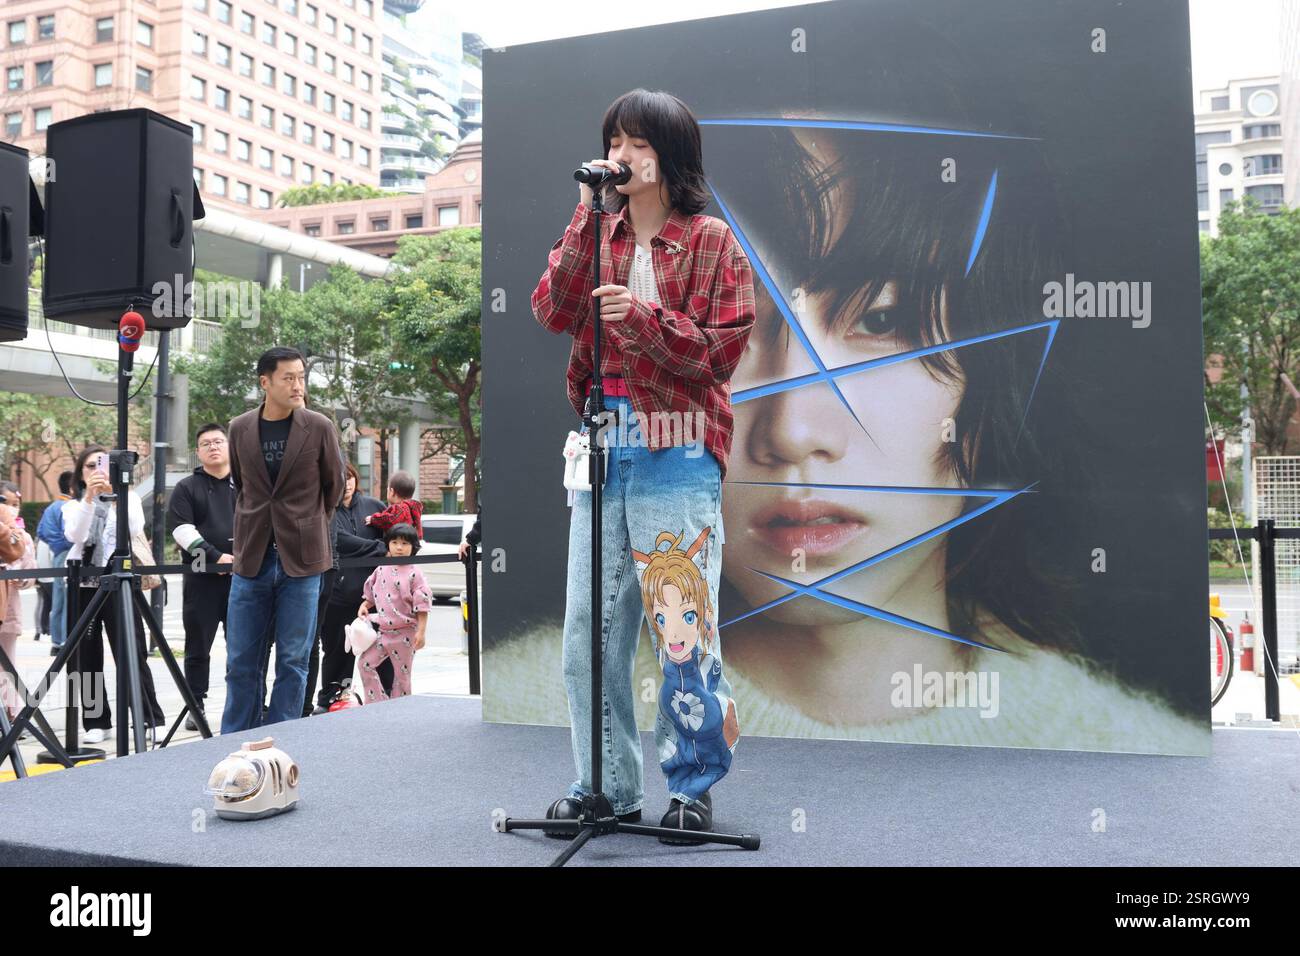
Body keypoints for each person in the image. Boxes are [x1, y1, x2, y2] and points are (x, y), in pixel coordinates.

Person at [529, 88, 756, 841]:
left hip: (678, 440)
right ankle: (604, 786)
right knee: (588, 629)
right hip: (601, 440)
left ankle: (692, 788)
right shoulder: (601, 227)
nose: (619, 156)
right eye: (612, 141)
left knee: (678, 622)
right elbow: (552, 310)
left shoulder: (711, 240)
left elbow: (721, 353)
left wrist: (646, 318)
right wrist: (585, 219)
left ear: (669, 154)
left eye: (634, 143)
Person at [223, 346, 344, 733]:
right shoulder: (239, 427)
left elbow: (334, 485)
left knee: (293, 659)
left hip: (303, 561)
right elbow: (242, 483)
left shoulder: (319, 426)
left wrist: (306, 524)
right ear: (265, 382)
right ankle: (234, 743)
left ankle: (282, 740)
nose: (298, 386)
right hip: (252, 556)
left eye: (301, 377)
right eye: (288, 378)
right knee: (241, 659)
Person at [62, 445, 166, 743]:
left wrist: (114, 497)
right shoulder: (74, 505)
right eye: (90, 466)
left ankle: (147, 717)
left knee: (131, 650)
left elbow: (133, 528)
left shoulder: (129, 498)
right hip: (84, 584)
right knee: (86, 656)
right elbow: (75, 536)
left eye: (102, 464)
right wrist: (90, 499)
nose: (97, 471)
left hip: (120, 581)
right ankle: (96, 722)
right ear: (81, 474)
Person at [168, 423, 236, 731]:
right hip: (201, 580)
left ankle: (248, 700)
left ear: (228, 445)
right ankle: (195, 706)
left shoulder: (247, 484)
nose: (213, 447)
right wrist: (216, 556)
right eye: (206, 443)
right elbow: (182, 531)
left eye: (218, 441)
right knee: (198, 647)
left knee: (245, 645)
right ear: (198, 452)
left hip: (243, 578)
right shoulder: (186, 488)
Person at [307, 460, 385, 713]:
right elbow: (339, 540)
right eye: (341, 479)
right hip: (338, 593)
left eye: (349, 478)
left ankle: (383, 696)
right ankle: (330, 697)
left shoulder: (374, 507)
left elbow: (393, 536)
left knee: (380, 647)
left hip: (374, 596)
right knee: (337, 648)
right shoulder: (326, 510)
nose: (346, 484)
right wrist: (375, 548)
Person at [355, 523, 430, 703]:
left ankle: (400, 712)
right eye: (395, 542)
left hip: (406, 633)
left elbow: (422, 604)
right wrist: (365, 604)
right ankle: (377, 704)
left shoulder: (415, 573)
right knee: (365, 664)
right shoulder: (381, 569)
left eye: (405, 544)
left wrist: (421, 632)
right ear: (388, 544)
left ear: (413, 547)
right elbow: (373, 592)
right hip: (384, 632)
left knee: (402, 678)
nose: (399, 547)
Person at [0, 484, 35, 723]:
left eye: (15, 505)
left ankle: (10, 712)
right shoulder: (11, 530)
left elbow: (28, 575)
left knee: (7, 662)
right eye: (6, 503)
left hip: (8, 608)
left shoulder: (22, 535)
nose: (11, 509)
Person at [35, 471, 74, 657]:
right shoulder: (70, 507)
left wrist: (55, 544)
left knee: (58, 599)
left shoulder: (51, 507)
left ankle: (56, 641)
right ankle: (67, 639)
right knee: (69, 598)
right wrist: (64, 543)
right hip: (69, 553)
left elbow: (41, 532)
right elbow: (73, 533)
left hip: (57, 554)